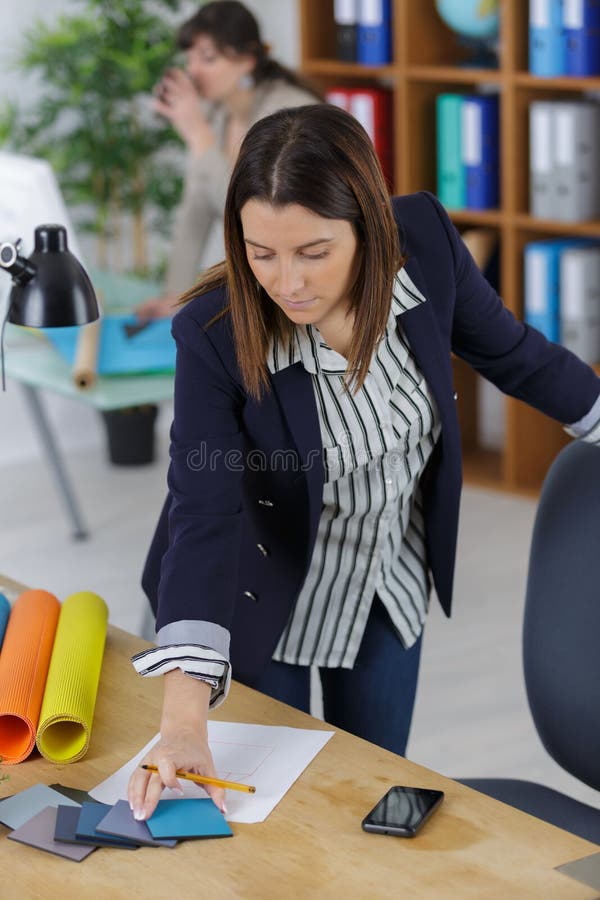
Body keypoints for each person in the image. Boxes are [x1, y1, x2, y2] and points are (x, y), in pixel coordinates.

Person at [127, 104, 600, 821]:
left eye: (313, 252)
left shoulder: (426, 244)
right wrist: (185, 721)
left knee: (369, 804)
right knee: (277, 816)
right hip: (262, 596)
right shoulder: (214, 333)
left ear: (369, 225)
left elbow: (514, 355)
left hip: (385, 580)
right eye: (261, 253)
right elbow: (203, 513)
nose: (287, 282)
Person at [136, 0, 321, 320]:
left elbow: (262, 212)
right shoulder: (218, 115)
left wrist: (198, 135)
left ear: (247, 60)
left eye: (208, 58)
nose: (194, 70)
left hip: (302, 283)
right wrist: (175, 296)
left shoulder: (290, 114)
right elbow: (195, 211)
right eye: (190, 58)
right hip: (260, 279)